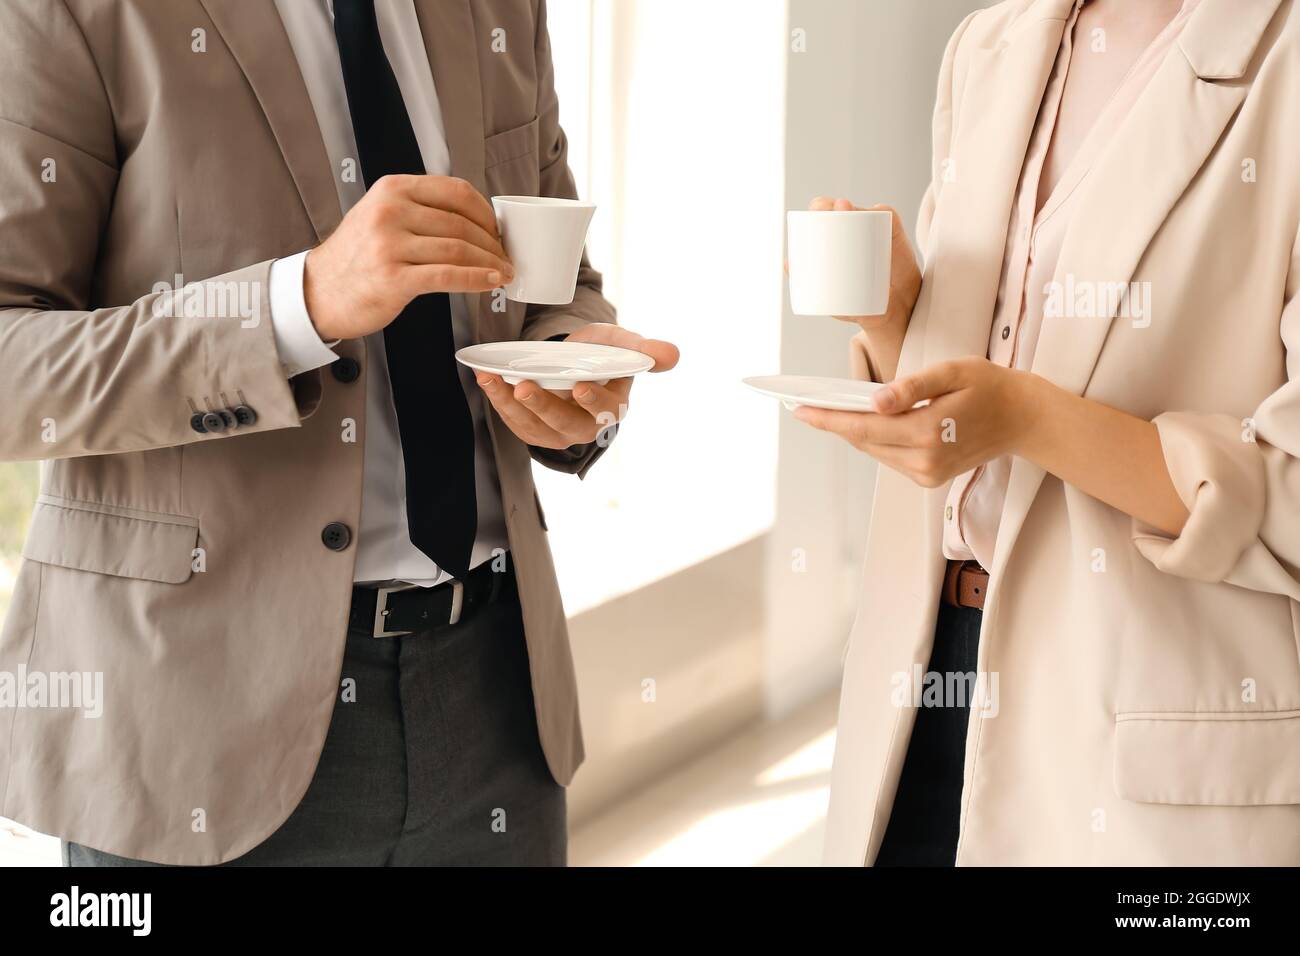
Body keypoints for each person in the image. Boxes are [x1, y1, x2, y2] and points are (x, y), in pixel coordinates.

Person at [0, 0, 676, 866]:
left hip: (497, 705)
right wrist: (297, 306)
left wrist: (566, 362)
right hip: (193, 722)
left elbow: (554, 277)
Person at [802, 0, 1300, 865]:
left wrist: (1030, 418)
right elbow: (970, 391)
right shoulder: (989, 45)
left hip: (1138, 729)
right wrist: (895, 318)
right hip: (921, 685)